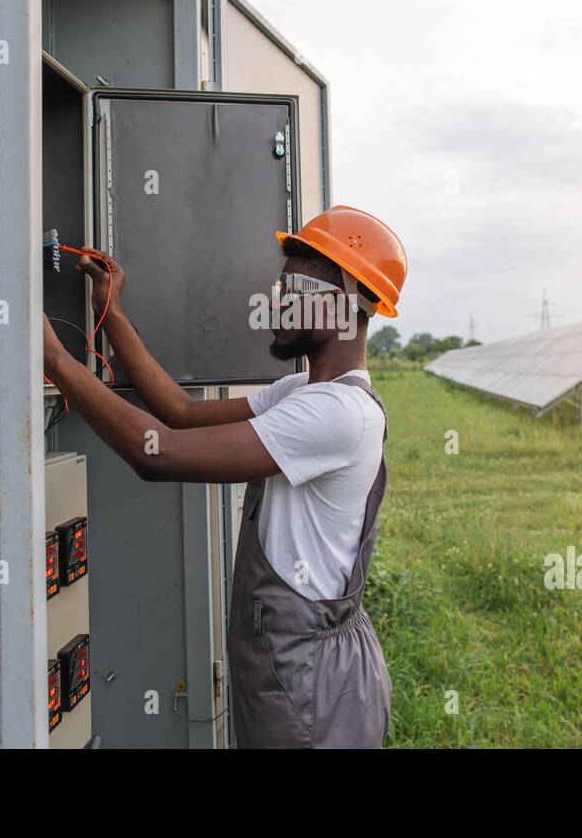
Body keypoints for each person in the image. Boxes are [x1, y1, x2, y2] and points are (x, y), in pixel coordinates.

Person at [42, 206, 408, 748]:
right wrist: (110, 312)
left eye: (291, 290)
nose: (275, 302)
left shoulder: (338, 413)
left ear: (341, 303)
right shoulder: (304, 392)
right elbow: (181, 413)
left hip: (311, 682)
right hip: (298, 665)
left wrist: (55, 359)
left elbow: (157, 455)